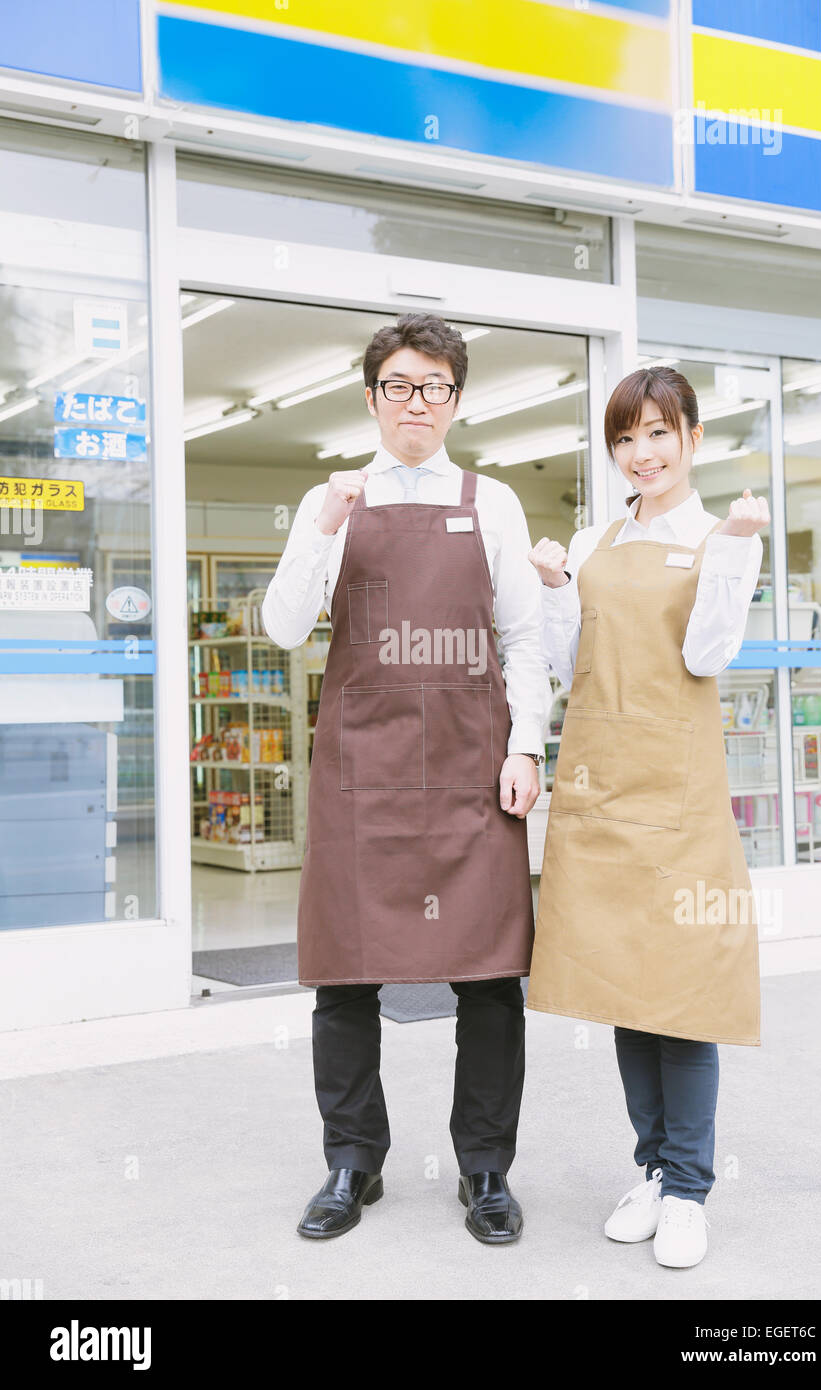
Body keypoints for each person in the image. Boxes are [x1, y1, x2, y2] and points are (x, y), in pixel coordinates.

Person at [262, 313, 550, 1243]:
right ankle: (352, 1162)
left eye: (433, 386)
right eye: (398, 385)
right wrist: (320, 528)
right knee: (344, 980)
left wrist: (526, 745)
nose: (416, 402)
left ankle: (486, 1170)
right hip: (363, 772)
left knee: (490, 978)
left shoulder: (494, 501)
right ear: (373, 397)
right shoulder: (333, 501)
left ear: (456, 400)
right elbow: (282, 627)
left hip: (472, 769)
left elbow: (522, 639)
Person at [526, 365, 767, 1269]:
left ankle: (692, 1188)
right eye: (625, 438)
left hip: (680, 794)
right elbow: (566, 663)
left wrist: (739, 547)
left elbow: (707, 653)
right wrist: (553, 586)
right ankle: (655, 1172)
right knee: (623, 989)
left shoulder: (718, 534)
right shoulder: (594, 539)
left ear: (693, 439)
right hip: (599, 794)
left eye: (658, 433)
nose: (642, 454)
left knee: (684, 996)